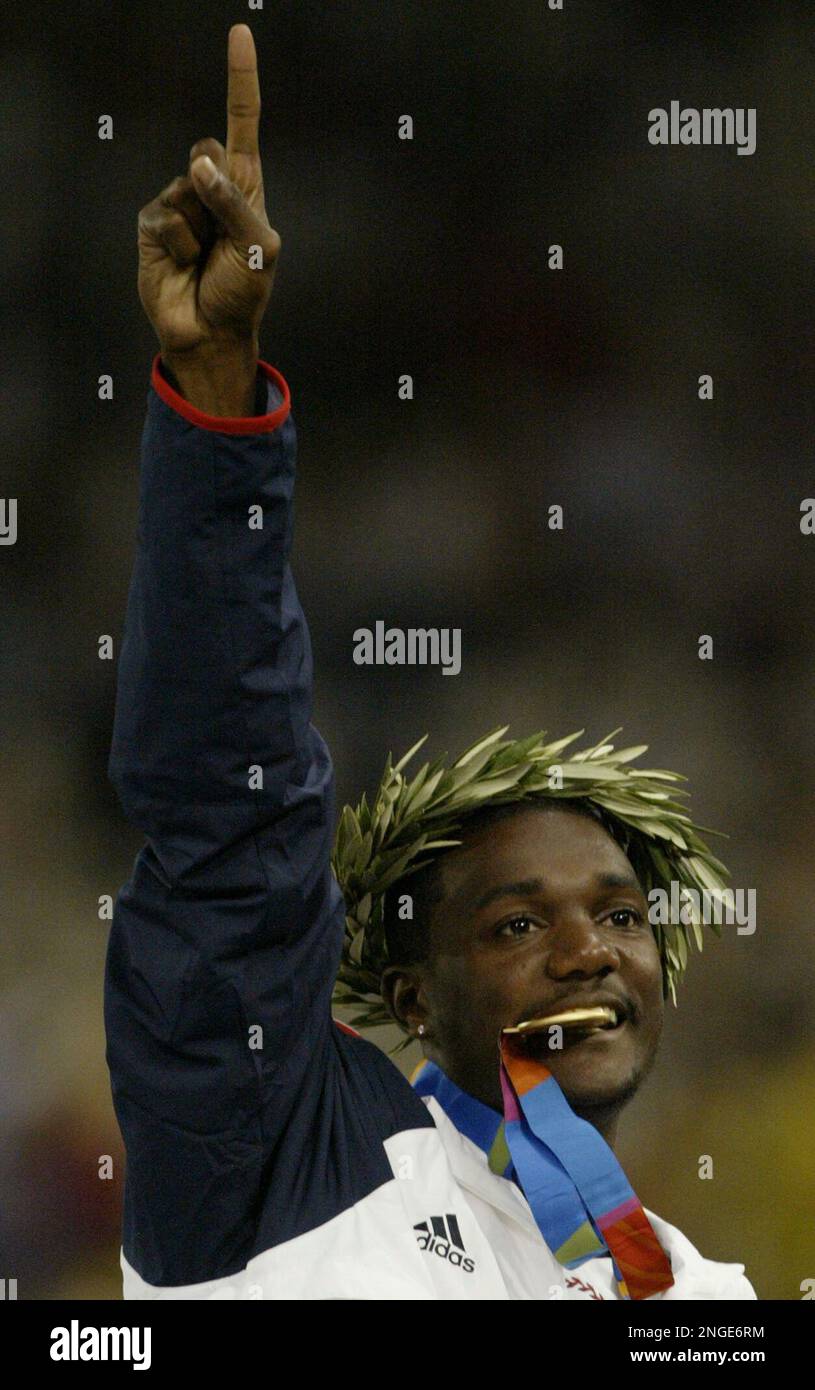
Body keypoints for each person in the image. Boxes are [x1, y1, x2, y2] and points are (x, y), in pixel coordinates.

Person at [105, 23, 756, 1301]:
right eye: (515, 922)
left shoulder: (692, 1293)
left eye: (618, 914)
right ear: (409, 986)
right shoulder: (285, 1153)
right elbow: (230, 825)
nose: (587, 953)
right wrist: (216, 400)